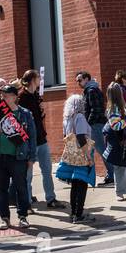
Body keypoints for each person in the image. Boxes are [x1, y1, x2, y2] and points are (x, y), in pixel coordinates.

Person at [0, 84, 37, 229]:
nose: (3, 98)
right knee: (1, 190)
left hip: (18, 157)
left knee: (21, 187)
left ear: (14, 97)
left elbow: (32, 137)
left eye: (6, 95)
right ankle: (5, 218)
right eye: (2, 96)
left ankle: (22, 217)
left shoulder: (25, 114)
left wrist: (32, 158)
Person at [19, 70, 60, 210]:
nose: (40, 80)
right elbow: (19, 121)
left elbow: (38, 118)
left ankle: (51, 198)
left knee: (47, 170)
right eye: (38, 77)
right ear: (32, 80)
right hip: (29, 142)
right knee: (28, 175)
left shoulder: (36, 96)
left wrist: (41, 113)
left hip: (41, 138)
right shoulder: (22, 97)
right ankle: (27, 202)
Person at [56, 93, 99, 222]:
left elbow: (66, 137)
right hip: (81, 154)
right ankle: (79, 214)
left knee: (75, 185)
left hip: (71, 155)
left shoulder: (67, 118)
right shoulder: (80, 117)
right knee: (81, 184)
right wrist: (89, 158)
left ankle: (74, 213)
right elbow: (81, 137)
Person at [74, 71, 111, 185]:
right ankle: (91, 177)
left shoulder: (91, 91)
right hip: (96, 125)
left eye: (79, 80)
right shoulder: (90, 90)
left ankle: (113, 175)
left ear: (86, 79)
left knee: (102, 150)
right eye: (77, 81)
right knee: (92, 152)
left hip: (95, 125)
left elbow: (96, 109)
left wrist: (87, 124)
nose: (78, 83)